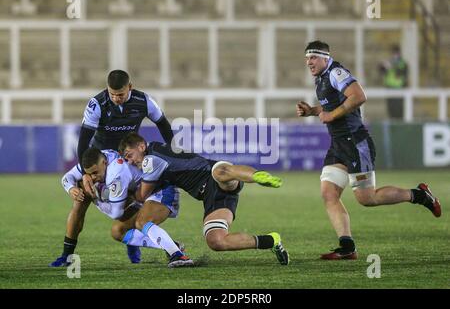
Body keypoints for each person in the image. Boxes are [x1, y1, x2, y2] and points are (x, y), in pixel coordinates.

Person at [296, 40, 441, 260]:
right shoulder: (322, 78)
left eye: (313, 57)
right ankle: (347, 247)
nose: (309, 62)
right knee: (329, 194)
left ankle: (419, 195)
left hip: (355, 143)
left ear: (325, 57)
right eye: (307, 58)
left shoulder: (336, 72)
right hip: (338, 145)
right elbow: (332, 106)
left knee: (367, 198)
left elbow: (359, 96)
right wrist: (314, 111)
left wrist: (330, 115)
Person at [50, 69, 176, 266]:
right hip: (101, 161)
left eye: (121, 94)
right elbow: (83, 142)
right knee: (80, 203)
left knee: (133, 200)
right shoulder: (97, 104)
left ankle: (131, 237)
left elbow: (164, 125)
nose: (116, 98)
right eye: (112, 94)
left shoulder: (144, 101)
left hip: (127, 159)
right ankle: (66, 255)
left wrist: (173, 150)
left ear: (130, 88)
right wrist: (85, 174)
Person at [118, 132, 290, 265]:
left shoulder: (150, 160)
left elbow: (142, 195)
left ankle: (258, 176)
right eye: (126, 158)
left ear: (141, 146)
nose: (130, 161)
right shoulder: (156, 149)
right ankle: (271, 240)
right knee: (216, 241)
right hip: (212, 196)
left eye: (129, 155)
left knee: (220, 173)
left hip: (210, 172)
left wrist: (122, 194)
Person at [59, 148, 193, 268]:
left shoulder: (115, 174)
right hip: (141, 195)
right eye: (89, 174)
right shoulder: (101, 157)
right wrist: (71, 188)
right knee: (118, 231)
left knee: (142, 222)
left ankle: (179, 256)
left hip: (160, 190)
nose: (93, 178)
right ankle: (172, 246)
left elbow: (116, 213)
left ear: (104, 163)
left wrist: (96, 199)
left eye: (95, 173)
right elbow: (67, 177)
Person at [378, 44, 408, 119]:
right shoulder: (388, 62)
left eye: (396, 53)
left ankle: (399, 123)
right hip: (389, 88)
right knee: (391, 109)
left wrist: (392, 67)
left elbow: (402, 73)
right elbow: (381, 71)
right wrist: (382, 66)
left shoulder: (403, 63)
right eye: (394, 53)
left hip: (399, 88)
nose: (395, 55)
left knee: (399, 109)